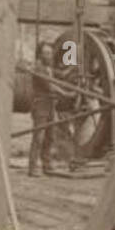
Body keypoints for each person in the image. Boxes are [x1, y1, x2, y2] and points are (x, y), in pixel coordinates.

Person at [28, 41, 75, 177]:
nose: (49, 56)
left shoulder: (48, 68)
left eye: (50, 53)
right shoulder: (38, 68)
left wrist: (73, 69)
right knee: (39, 137)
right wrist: (67, 94)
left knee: (50, 136)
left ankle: (47, 165)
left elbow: (61, 74)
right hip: (40, 106)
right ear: (40, 55)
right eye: (46, 53)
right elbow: (51, 86)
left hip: (50, 106)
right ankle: (32, 168)